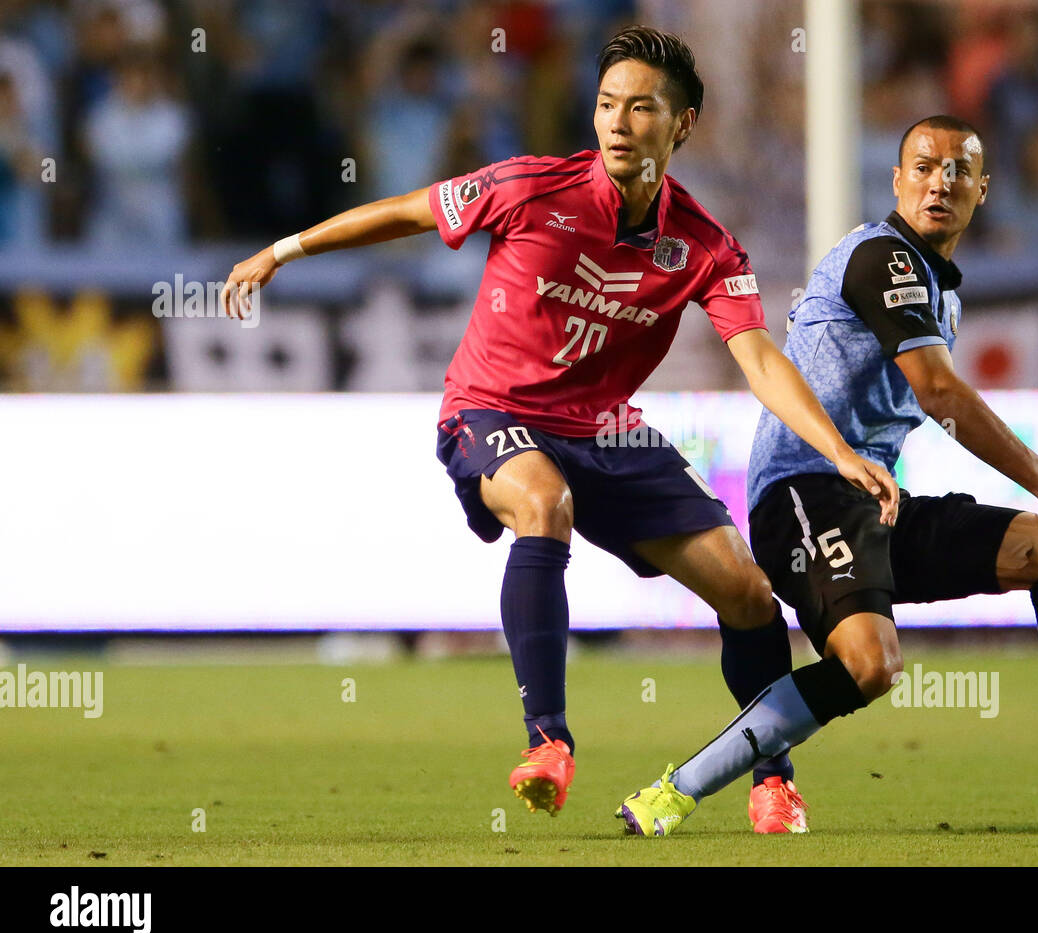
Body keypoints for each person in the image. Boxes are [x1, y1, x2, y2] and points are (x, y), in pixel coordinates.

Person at [220, 26, 899, 828]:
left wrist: (839, 450)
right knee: (544, 506)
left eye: (640, 107)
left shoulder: (706, 248)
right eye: (607, 103)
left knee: (749, 594)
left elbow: (758, 359)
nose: (616, 122)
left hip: (607, 432)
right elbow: (408, 211)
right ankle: (548, 741)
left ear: (680, 127)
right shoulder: (531, 186)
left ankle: (770, 775)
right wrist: (283, 249)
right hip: (492, 410)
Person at [616, 115, 1038, 836]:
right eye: (925, 167)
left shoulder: (944, 292)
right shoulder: (885, 260)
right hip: (803, 495)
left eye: (959, 171)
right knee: (872, 665)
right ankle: (674, 790)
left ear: (982, 190)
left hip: (875, 503)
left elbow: (938, 402)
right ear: (899, 180)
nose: (941, 182)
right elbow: (938, 395)